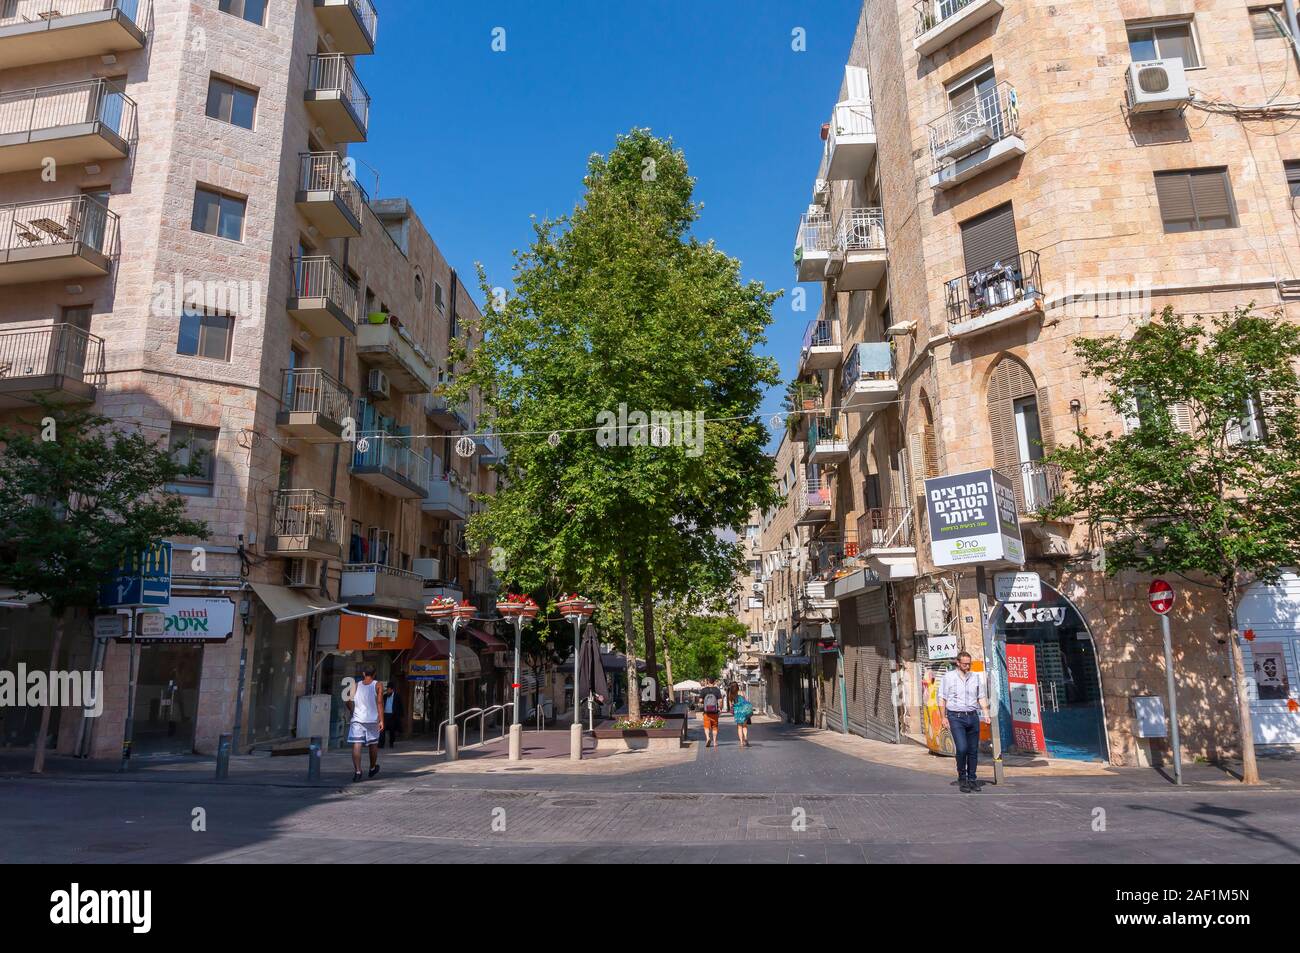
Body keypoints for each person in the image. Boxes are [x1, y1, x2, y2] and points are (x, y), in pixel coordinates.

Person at [938, 652, 991, 793]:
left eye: (969, 664)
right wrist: (943, 717)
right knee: (962, 748)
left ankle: (972, 779)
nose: (967, 666)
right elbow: (942, 698)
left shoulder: (975, 678)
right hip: (956, 717)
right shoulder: (948, 677)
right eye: (964, 664)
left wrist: (986, 713)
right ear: (958, 663)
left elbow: (981, 696)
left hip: (972, 716)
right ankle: (962, 776)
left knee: (973, 750)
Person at [347, 665, 384, 782]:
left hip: (358, 719)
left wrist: (353, 711)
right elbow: (379, 703)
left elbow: (348, 701)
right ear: (374, 674)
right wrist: (382, 720)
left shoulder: (356, 685)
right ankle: (372, 767)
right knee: (373, 744)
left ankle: (358, 771)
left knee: (357, 744)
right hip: (372, 720)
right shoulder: (378, 685)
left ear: (363, 674)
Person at [699, 677, 724, 748]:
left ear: (707, 682)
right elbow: (720, 701)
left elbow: (700, 700)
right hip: (714, 711)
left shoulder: (703, 690)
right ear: (714, 682)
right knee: (714, 727)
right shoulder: (717, 690)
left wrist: (703, 702)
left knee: (706, 726)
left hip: (706, 712)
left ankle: (707, 738)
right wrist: (720, 708)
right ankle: (715, 742)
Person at [380, 683, 403, 749]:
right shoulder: (384, 696)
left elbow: (400, 706)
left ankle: (391, 743)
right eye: (387, 689)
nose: (388, 691)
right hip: (385, 715)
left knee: (392, 730)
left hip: (393, 715)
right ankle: (381, 744)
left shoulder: (397, 696)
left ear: (392, 690)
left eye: (389, 690)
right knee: (382, 729)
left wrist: (400, 716)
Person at [732, 684, 754, 748]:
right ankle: (746, 738)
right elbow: (746, 701)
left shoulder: (732, 695)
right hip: (744, 711)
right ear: (738, 688)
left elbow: (731, 705)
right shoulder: (742, 692)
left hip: (737, 712)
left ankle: (741, 742)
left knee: (739, 727)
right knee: (744, 726)